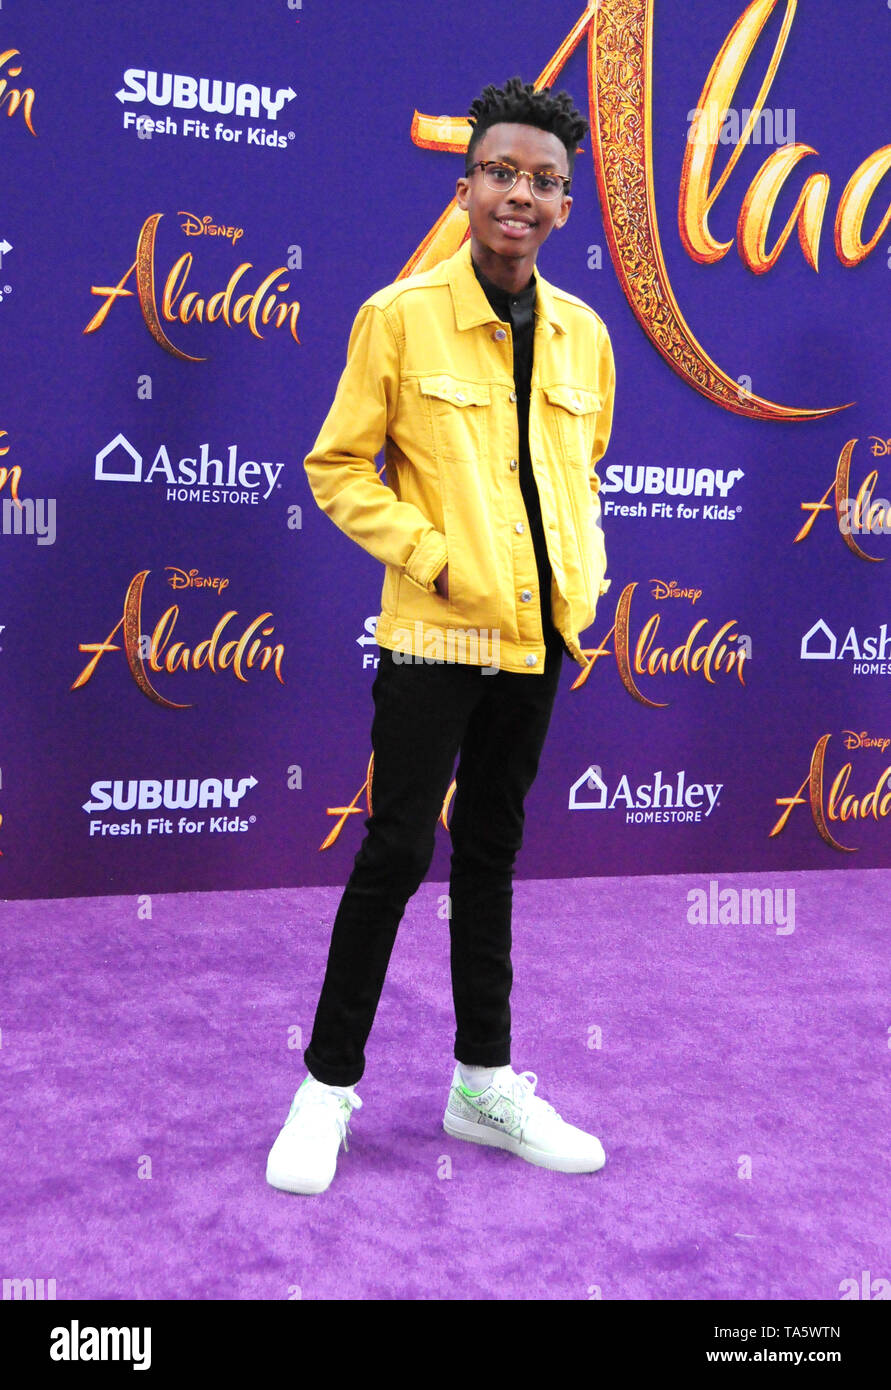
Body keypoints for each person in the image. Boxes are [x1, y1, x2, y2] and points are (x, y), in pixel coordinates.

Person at [266, 77, 616, 1195]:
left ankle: (484, 1081)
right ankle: (325, 1090)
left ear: (566, 205)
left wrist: (582, 579)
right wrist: (438, 557)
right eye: (502, 173)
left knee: (494, 859)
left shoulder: (586, 335)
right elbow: (334, 467)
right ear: (466, 188)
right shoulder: (398, 315)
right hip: (436, 636)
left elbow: (577, 474)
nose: (522, 194)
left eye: (545, 181)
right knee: (396, 853)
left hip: (539, 643)